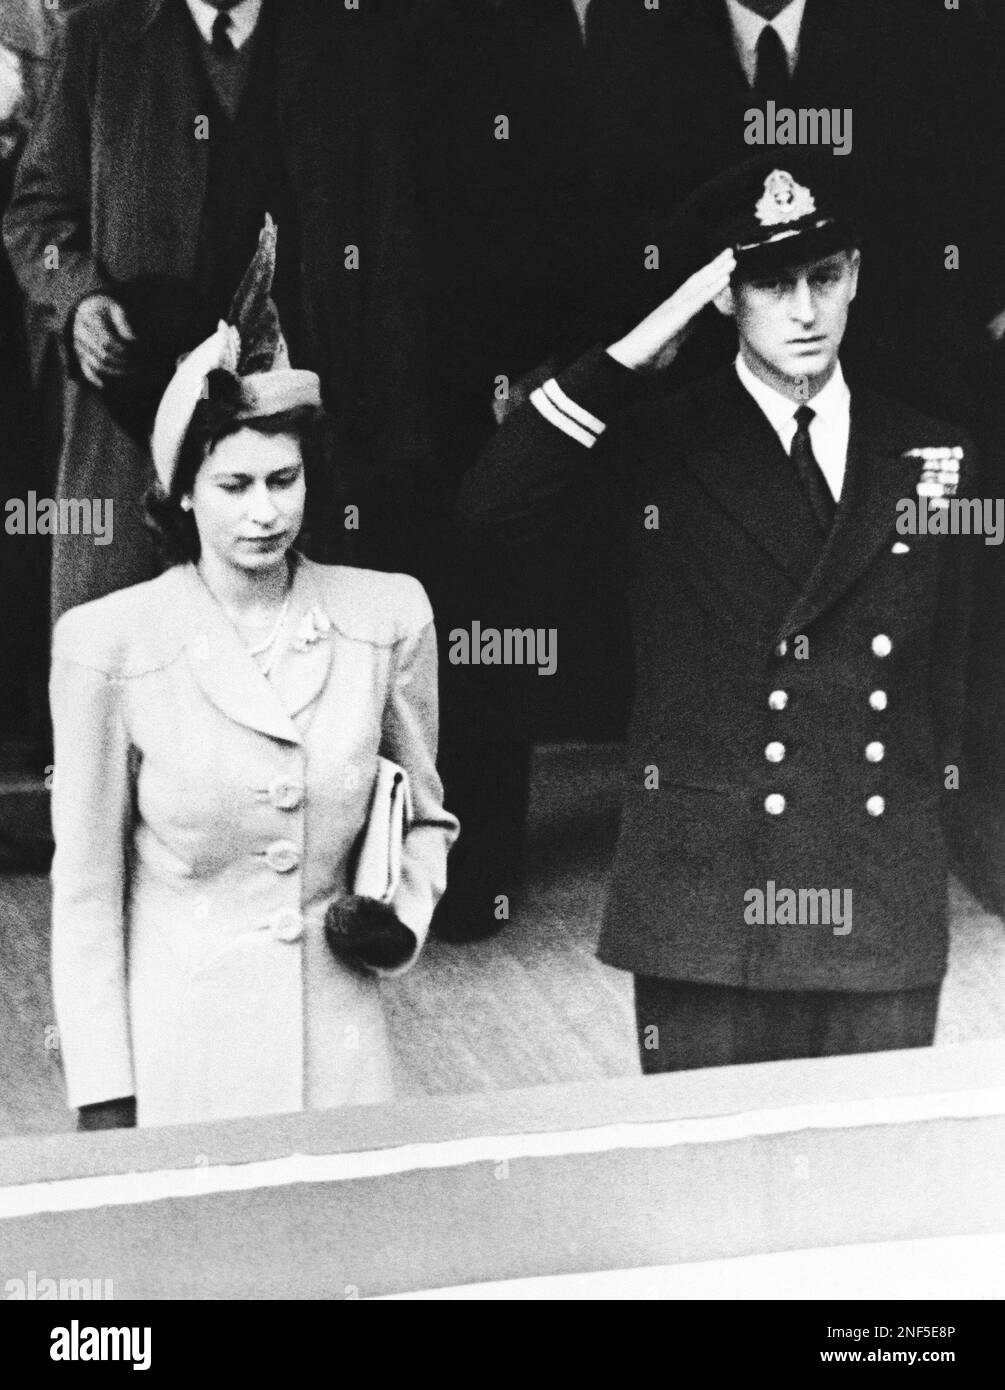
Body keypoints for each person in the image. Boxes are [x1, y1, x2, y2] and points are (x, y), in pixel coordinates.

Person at [459, 153, 980, 1073]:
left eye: (823, 278)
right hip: (708, 889)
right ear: (723, 298)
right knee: (706, 1205)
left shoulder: (934, 452)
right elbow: (492, 508)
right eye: (770, 284)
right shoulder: (659, 444)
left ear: (854, 274)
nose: (804, 311)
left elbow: (969, 674)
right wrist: (632, 352)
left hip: (877, 886)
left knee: (870, 1191)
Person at [49, 227, 458, 1129]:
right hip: (180, 1064)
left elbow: (424, 818)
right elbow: (84, 891)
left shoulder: (386, 617)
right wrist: (104, 1092)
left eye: (285, 479)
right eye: (234, 485)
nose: (265, 511)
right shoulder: (107, 646)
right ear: (183, 492)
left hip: (341, 1062)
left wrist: (399, 919)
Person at [4, 0, 426, 624]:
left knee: (293, 676)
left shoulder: (347, 44)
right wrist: (79, 301)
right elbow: (38, 214)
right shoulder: (100, 37)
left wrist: (383, 430)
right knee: (123, 663)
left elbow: (393, 254)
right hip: (129, 435)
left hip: (305, 433)